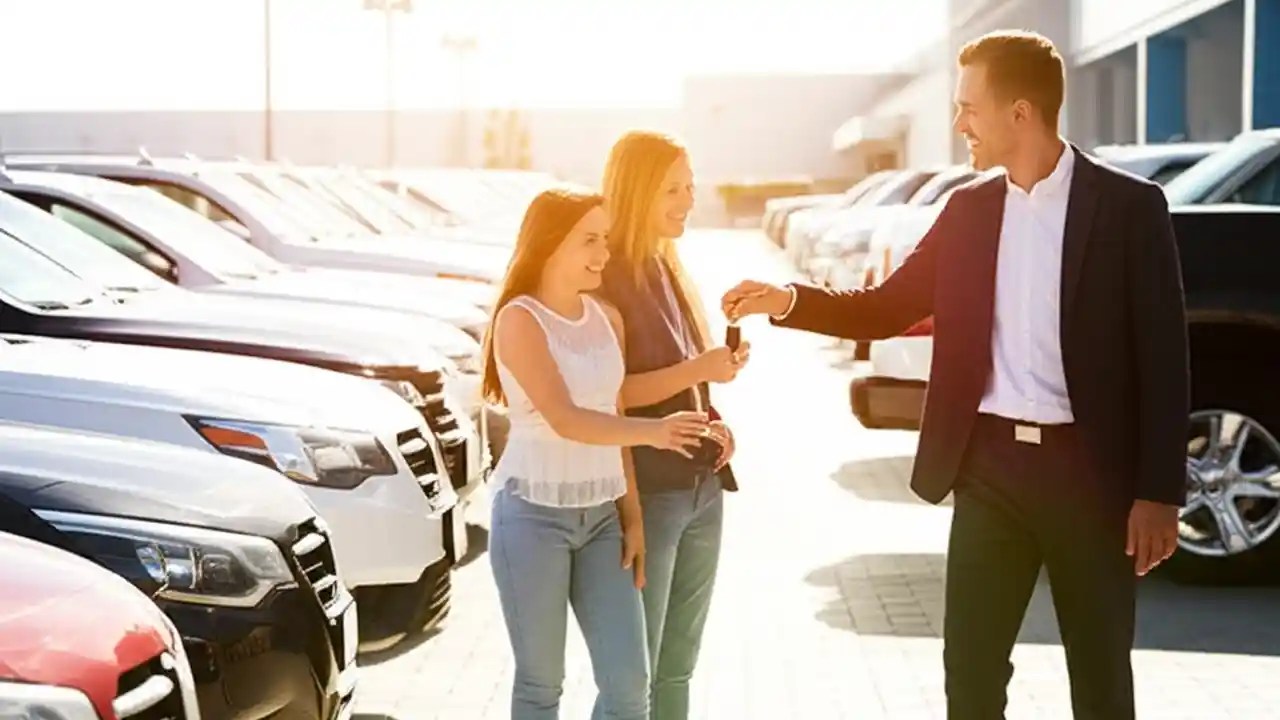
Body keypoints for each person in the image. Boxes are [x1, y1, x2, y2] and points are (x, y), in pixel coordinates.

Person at [722, 30, 1189, 720]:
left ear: (1019, 113)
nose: (959, 122)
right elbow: (885, 308)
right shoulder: (969, 210)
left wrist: (1159, 493)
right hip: (990, 472)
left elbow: (1164, 354)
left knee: (1100, 682)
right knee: (968, 678)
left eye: (969, 106)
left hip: (1091, 479)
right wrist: (786, 302)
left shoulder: (1129, 207)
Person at [482, 187, 713, 720]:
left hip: (602, 524)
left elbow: (608, 416)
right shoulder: (519, 320)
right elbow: (566, 419)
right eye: (589, 240)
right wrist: (655, 431)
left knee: (631, 688)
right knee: (542, 686)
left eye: (604, 240)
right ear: (549, 244)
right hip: (531, 519)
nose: (602, 254)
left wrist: (631, 515)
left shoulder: (606, 317)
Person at [596, 130, 750, 720]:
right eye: (673, 189)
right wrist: (697, 367)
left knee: (678, 665)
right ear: (636, 192)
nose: (688, 200)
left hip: (704, 491)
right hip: (650, 497)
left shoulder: (669, 265)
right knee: (636, 672)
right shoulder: (607, 275)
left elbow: (685, 385)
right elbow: (608, 396)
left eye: (691, 186)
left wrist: (716, 421)